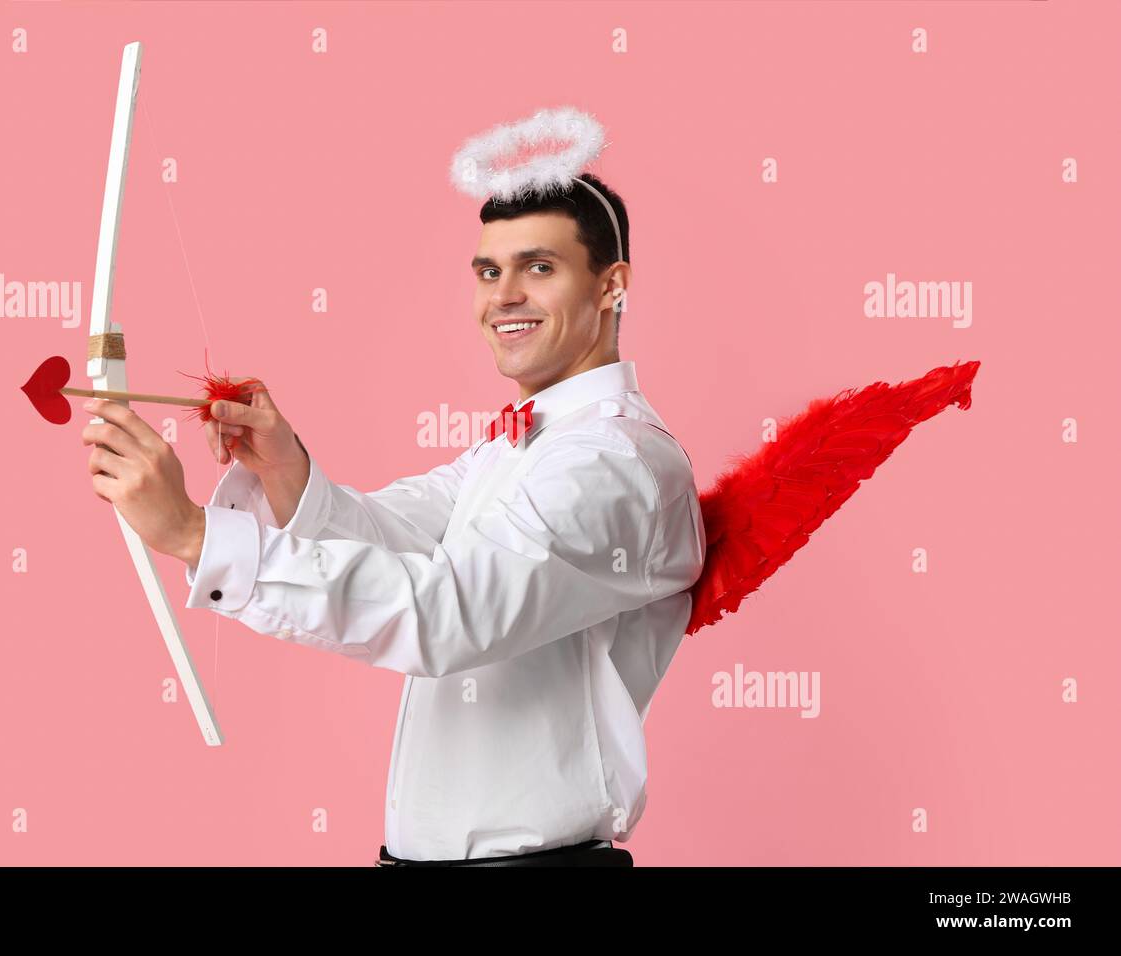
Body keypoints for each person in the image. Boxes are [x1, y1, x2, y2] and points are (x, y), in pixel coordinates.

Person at [80, 173, 706, 867]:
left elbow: (445, 611)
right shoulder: (523, 444)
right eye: (488, 271)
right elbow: (399, 536)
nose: (502, 297)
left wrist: (198, 536)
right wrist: (285, 471)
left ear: (612, 284)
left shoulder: (614, 464)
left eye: (538, 267)